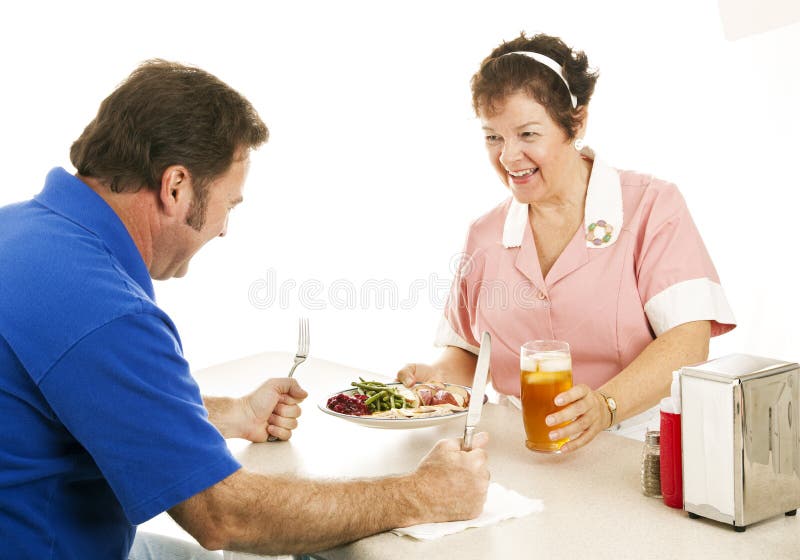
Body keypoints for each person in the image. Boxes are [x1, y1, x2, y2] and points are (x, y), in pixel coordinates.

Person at [0, 60, 490, 559]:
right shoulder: (105, 310)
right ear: (176, 187)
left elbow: (90, 399)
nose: (224, 228)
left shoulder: (21, 232)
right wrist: (419, 494)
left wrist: (231, 414)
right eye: (228, 204)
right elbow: (224, 516)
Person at [398, 32, 736, 452]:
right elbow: (468, 352)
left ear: (575, 122)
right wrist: (436, 379)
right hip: (520, 450)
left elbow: (689, 339)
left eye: (527, 134)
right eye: (493, 138)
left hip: (635, 448)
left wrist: (606, 405)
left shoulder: (652, 206)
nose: (507, 157)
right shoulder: (485, 235)